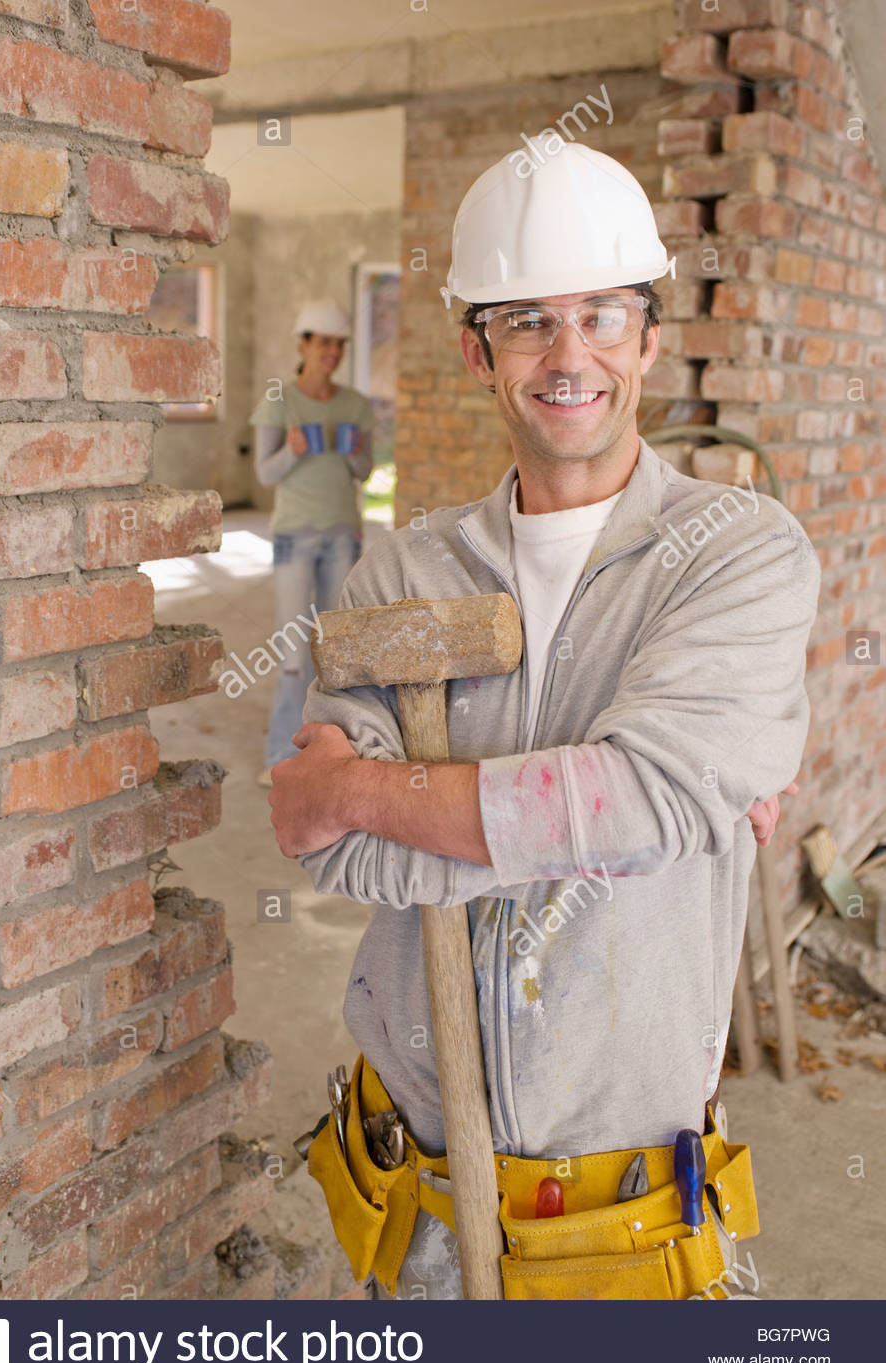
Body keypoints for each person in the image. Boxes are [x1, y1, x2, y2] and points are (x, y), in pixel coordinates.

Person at [268, 144, 821, 1299]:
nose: (570, 357)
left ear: (649, 339)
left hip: (626, 1228)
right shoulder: (402, 572)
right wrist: (597, 822)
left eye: (603, 316)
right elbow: (323, 850)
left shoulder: (738, 554)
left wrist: (374, 793)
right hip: (411, 1209)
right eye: (527, 322)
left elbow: (644, 800)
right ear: (477, 348)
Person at [250, 298, 375, 785]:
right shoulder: (279, 400)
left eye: (338, 344)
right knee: (292, 650)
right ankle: (280, 756)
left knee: (337, 650)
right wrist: (292, 450)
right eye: (323, 342)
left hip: (342, 534)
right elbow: (263, 474)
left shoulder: (356, 405)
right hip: (294, 539)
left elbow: (365, 472)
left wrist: (355, 454)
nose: (332, 352)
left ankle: (339, 750)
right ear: (303, 344)